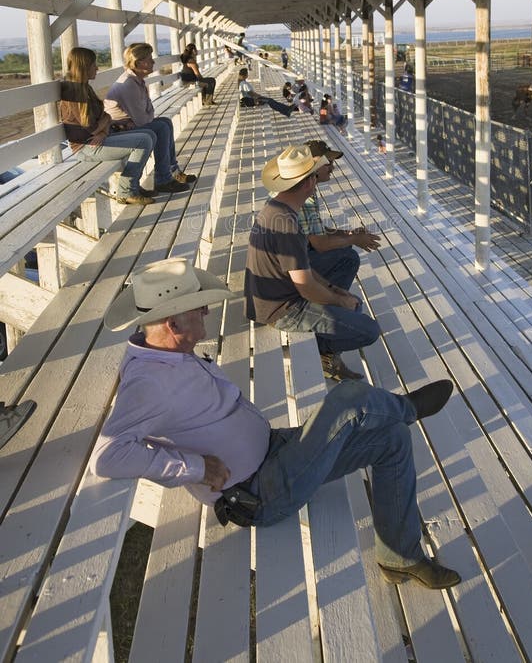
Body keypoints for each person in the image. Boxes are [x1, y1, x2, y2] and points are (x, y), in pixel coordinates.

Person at [92, 256, 461, 591]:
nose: (205, 310)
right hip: (261, 493)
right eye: (197, 308)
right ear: (173, 322)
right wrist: (195, 467)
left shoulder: (164, 351)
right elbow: (108, 456)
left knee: (392, 439)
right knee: (348, 398)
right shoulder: (149, 385)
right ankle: (408, 408)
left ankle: (400, 558)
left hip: (276, 450)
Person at [244, 145, 380, 381]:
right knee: (368, 330)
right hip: (280, 310)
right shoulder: (286, 224)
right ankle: (323, 351)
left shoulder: (277, 209)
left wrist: (331, 289)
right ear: (309, 183)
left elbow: (303, 265)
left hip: (270, 299)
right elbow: (305, 285)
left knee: (351, 303)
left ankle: (327, 341)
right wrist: (340, 301)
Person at [59, 46, 156, 206]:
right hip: (86, 147)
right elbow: (90, 129)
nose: (97, 68)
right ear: (84, 66)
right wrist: (103, 124)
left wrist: (103, 129)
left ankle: (134, 186)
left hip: (98, 139)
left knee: (149, 135)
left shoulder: (84, 87)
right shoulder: (73, 91)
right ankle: (126, 191)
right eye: (93, 65)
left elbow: (104, 117)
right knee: (143, 140)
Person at [104, 43, 196, 195]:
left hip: (127, 125)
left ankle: (173, 171)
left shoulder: (136, 80)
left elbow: (148, 113)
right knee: (160, 127)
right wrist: (144, 115)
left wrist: (145, 115)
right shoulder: (128, 85)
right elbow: (143, 120)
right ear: (139, 63)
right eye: (149, 59)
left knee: (165, 121)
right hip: (116, 132)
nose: (153, 62)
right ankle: (163, 180)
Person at [298, 140, 380, 291]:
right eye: (328, 163)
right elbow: (320, 245)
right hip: (290, 267)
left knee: (344, 243)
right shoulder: (304, 195)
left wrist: (349, 234)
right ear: (313, 165)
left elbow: (315, 230)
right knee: (349, 258)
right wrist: (354, 238)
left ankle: (327, 294)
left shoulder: (305, 186)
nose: (332, 168)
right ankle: (335, 304)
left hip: (295, 256)